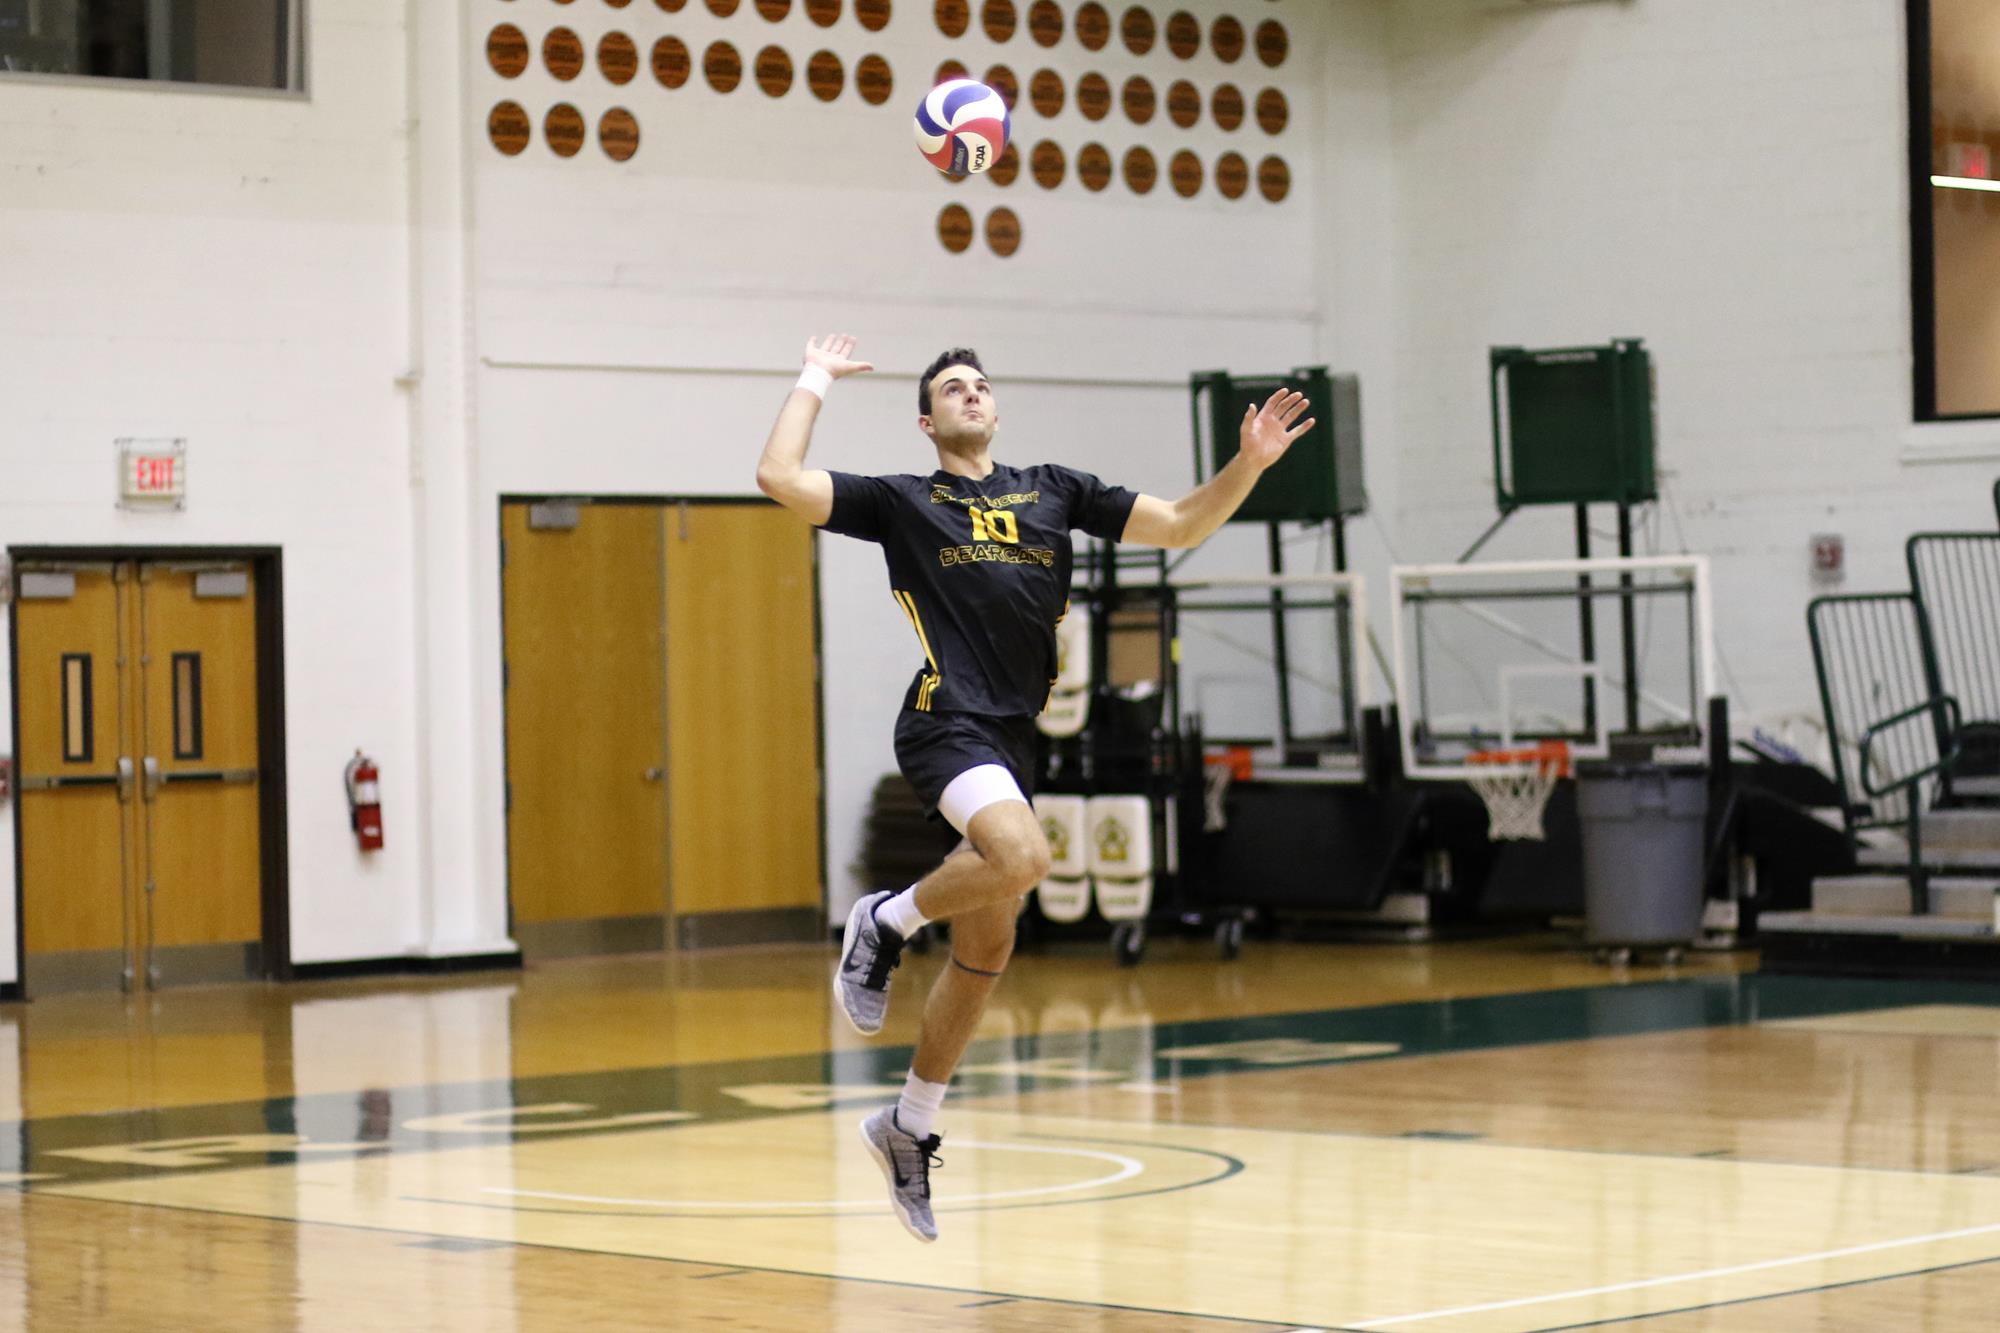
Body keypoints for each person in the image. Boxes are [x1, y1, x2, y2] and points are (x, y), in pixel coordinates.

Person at [755, 334, 1313, 1242]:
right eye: (950, 388)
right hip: (947, 723)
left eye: (980, 384)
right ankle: (884, 921)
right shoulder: (905, 502)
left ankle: (909, 1123)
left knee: (989, 947)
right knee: (1024, 857)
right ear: (928, 420)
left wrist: (1247, 465)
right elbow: (779, 474)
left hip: (1015, 742)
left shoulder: (1054, 488)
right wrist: (815, 377)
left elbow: (1180, 524)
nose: (970, 393)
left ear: (996, 408)